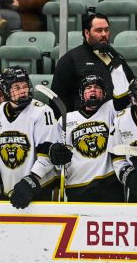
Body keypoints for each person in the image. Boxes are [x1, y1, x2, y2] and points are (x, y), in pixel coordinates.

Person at [14, 70, 130, 206]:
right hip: (77, 185)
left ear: (104, 93)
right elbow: (54, 159)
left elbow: (122, 97)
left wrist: (116, 70)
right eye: (88, 87)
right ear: (81, 94)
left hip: (109, 184)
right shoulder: (66, 119)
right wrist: (57, 154)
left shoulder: (110, 110)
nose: (93, 89)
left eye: (97, 87)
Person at [0, 66, 59, 203]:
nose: (23, 91)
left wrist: (32, 180)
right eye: (17, 88)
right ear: (6, 90)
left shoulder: (42, 111)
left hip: (40, 186)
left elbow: (46, 155)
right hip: (9, 188)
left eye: (25, 86)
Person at [51, 13, 136, 112]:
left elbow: (131, 84)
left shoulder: (114, 56)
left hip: (116, 119)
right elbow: (58, 97)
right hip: (83, 122)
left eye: (106, 30)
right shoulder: (71, 59)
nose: (104, 34)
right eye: (99, 30)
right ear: (87, 33)